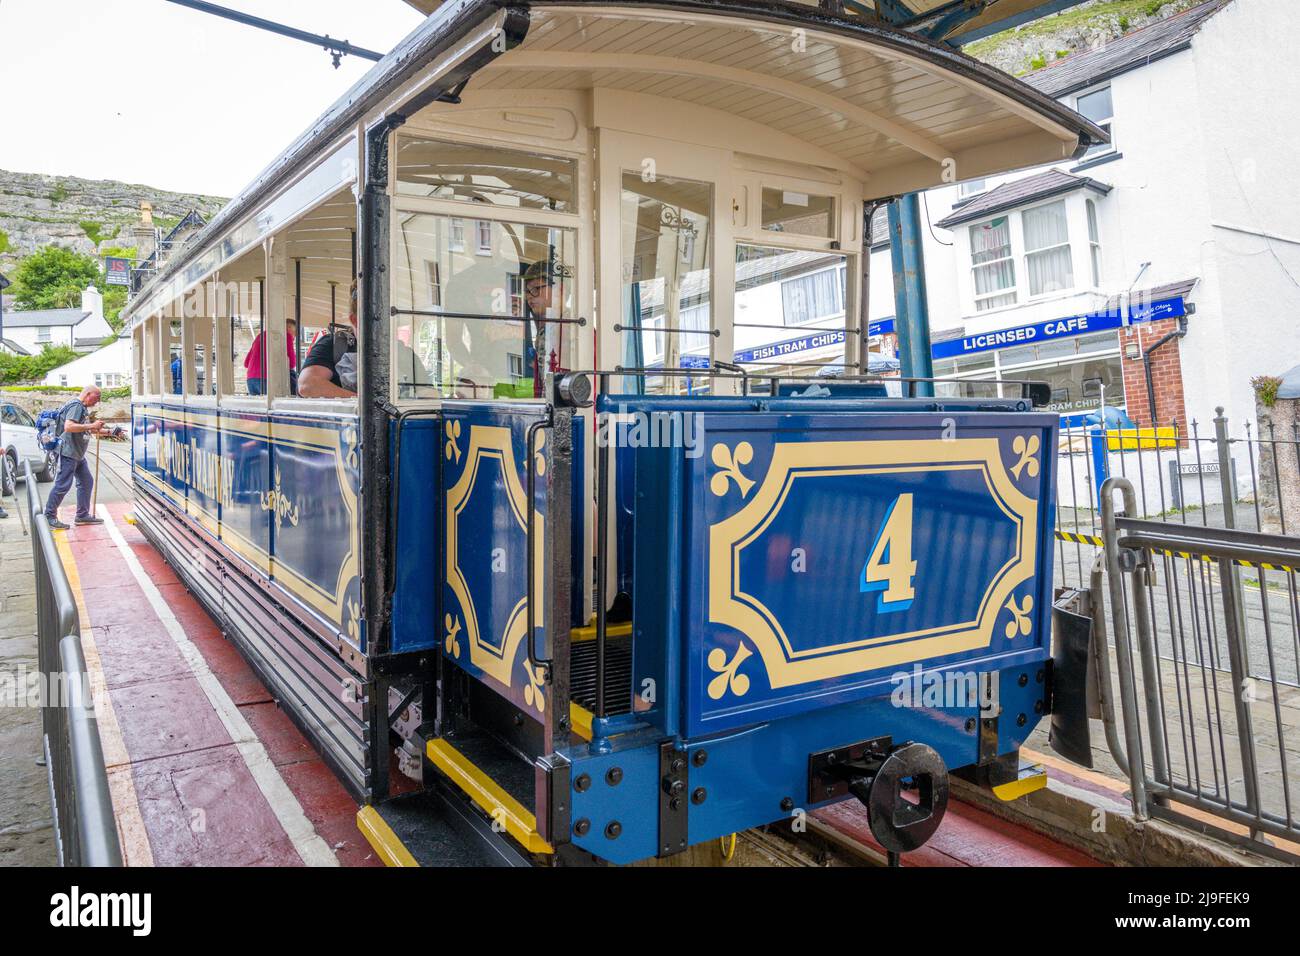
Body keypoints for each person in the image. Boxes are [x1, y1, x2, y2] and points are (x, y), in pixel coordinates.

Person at [299, 282, 431, 398]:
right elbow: (308, 384)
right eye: (377, 319)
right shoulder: (332, 345)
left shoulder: (404, 353)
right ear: (355, 320)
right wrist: (364, 403)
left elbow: (429, 393)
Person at [42, 386, 108, 530]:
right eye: (96, 398)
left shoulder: (80, 407)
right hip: (69, 452)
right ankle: (49, 516)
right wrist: (93, 425)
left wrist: (110, 431)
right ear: (88, 394)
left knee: (86, 481)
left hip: (77, 454)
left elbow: (85, 428)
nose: (97, 402)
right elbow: (69, 426)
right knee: (63, 484)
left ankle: (82, 516)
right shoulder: (76, 406)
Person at [243, 319, 298, 395]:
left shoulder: (260, 336)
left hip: (251, 380)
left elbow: (246, 363)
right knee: (274, 405)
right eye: (295, 332)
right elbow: (292, 363)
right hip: (267, 378)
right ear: (288, 327)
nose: (294, 336)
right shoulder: (286, 336)